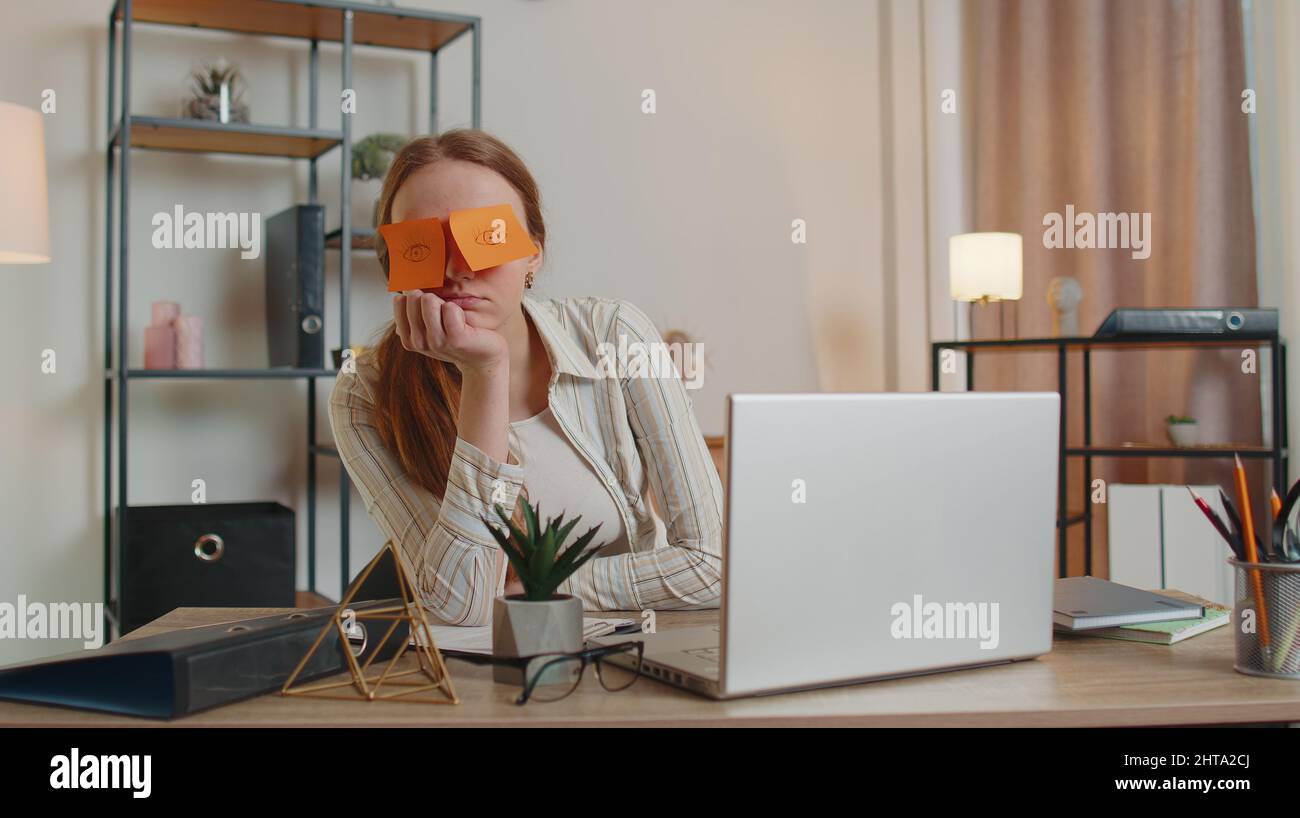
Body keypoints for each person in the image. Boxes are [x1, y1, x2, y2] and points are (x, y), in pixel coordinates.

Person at [328, 129, 724, 626]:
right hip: (472, 678)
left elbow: (713, 563)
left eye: (485, 238)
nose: (455, 270)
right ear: (395, 268)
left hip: (626, 651)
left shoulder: (616, 337)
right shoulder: (363, 393)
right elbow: (464, 605)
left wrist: (547, 586)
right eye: (422, 246)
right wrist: (484, 373)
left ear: (532, 251)